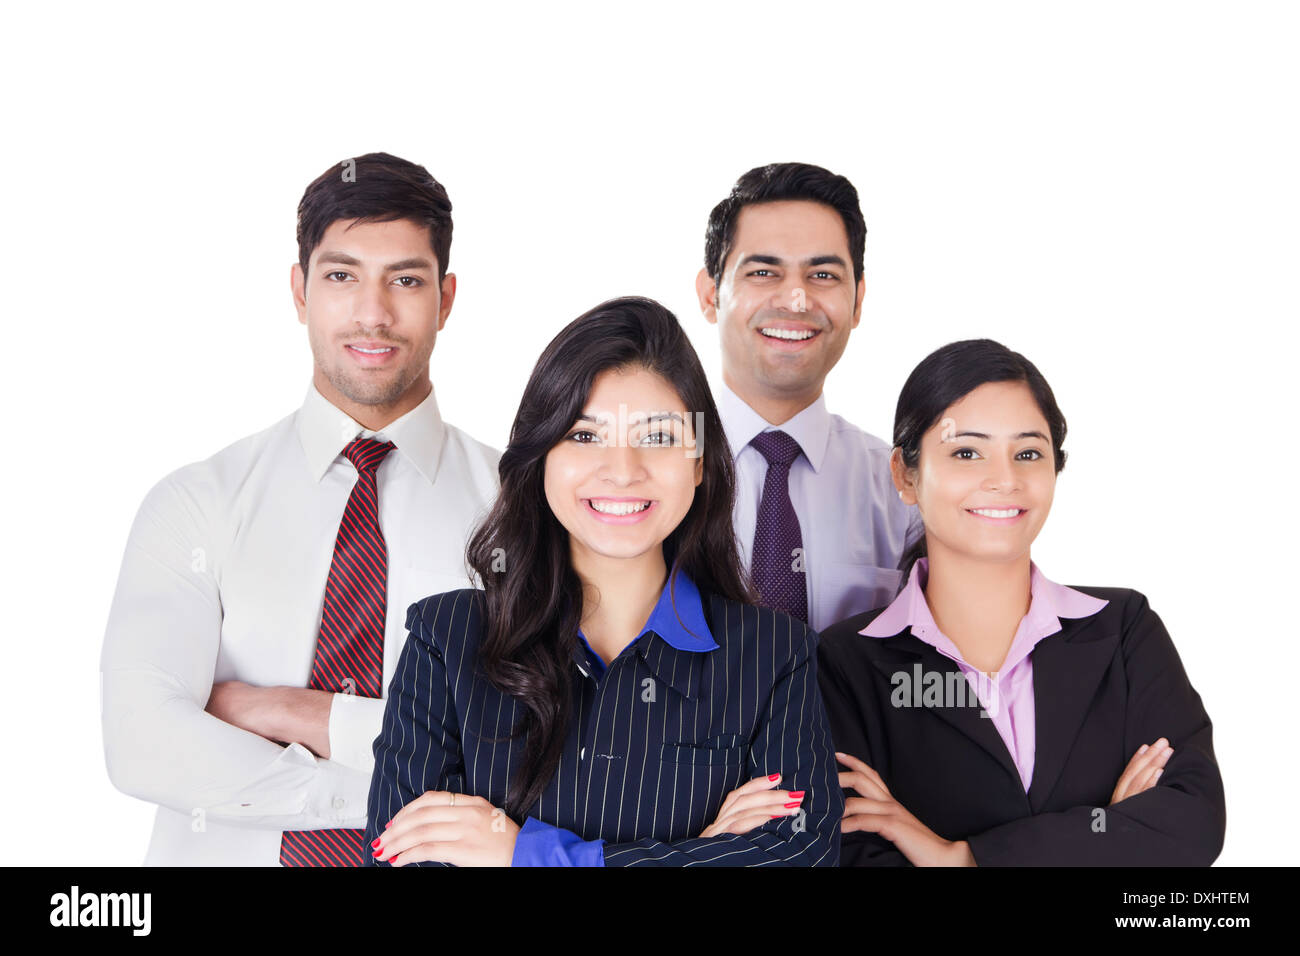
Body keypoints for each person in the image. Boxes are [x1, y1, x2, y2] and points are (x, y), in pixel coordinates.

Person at [100, 152, 501, 866]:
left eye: (405, 280)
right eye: (341, 276)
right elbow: (142, 743)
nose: (372, 314)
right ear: (299, 290)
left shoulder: (522, 510)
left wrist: (292, 715)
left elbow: (540, 748)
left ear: (446, 298)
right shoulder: (198, 504)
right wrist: (390, 791)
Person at [365, 296, 843, 866]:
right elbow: (401, 858)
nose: (622, 470)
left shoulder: (773, 654)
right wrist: (701, 853)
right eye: (585, 436)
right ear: (541, 455)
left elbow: (801, 856)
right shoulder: (446, 638)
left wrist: (528, 855)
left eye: (659, 437)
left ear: (697, 461)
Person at [816, 339, 1226, 865]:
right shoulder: (845, 663)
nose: (1004, 479)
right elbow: (854, 857)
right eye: (967, 452)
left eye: (1028, 453)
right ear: (904, 475)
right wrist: (1106, 834)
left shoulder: (1124, 631)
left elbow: (1192, 823)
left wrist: (962, 858)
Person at [696, 162, 923, 632]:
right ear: (710, 294)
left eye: (822, 275)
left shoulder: (901, 491)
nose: (796, 299)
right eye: (763, 272)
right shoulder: (644, 472)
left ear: (858, 301)